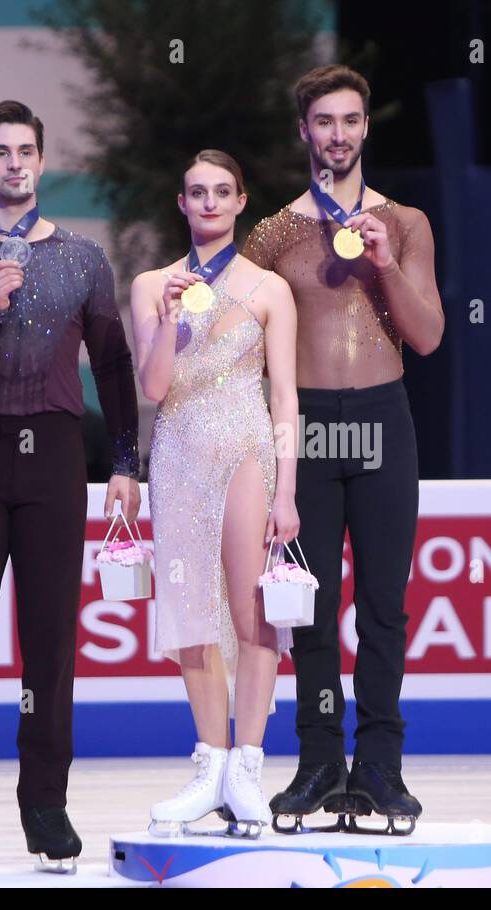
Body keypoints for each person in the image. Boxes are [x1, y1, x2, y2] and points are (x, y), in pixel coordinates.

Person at [0, 100, 141, 872]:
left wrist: (123, 461)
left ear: (42, 163)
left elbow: (112, 364)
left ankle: (45, 806)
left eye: (26, 151)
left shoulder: (82, 257)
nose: (14, 163)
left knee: (49, 644)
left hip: (52, 454)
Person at [241, 65, 444, 833]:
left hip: (384, 417)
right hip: (306, 424)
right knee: (312, 611)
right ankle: (320, 760)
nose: (338, 134)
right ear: (304, 131)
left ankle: (381, 766)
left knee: (384, 606)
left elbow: (426, 336)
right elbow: (247, 348)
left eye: (351, 120)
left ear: (365, 128)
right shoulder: (271, 235)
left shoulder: (409, 222)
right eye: (323, 121)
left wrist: (386, 261)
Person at [129, 150, 299, 837]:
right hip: (177, 454)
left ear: (239, 201)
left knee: (253, 607)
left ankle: (249, 766)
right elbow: (153, 387)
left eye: (220, 192)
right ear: (181, 202)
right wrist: (168, 318)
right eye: (196, 192)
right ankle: (209, 764)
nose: (207, 202)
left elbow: (285, 393)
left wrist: (288, 487)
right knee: (189, 608)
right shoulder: (151, 285)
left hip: (247, 450)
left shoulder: (268, 288)